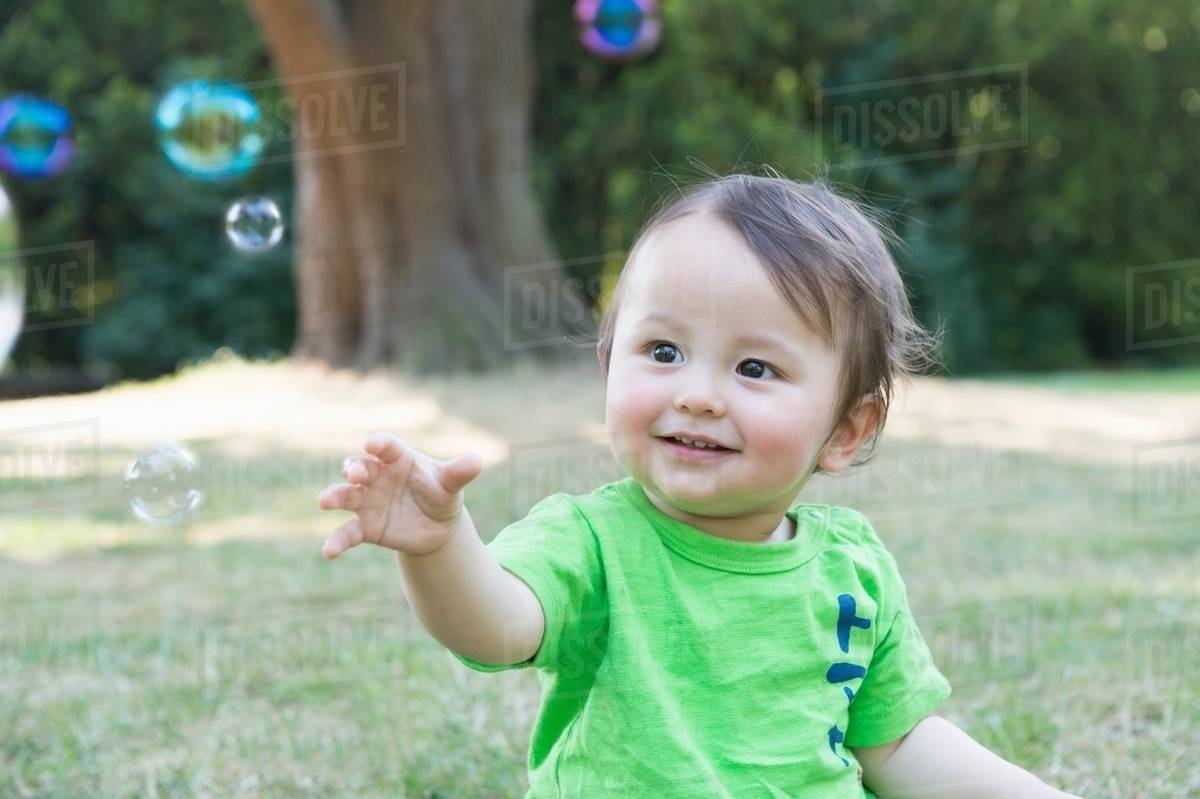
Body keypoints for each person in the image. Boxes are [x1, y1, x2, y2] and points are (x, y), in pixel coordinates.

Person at [317, 171, 1084, 798]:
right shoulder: (593, 540)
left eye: (754, 367)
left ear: (847, 430)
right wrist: (441, 545)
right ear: (607, 365)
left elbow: (899, 745)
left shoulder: (852, 567)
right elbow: (498, 628)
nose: (698, 394)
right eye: (662, 350)